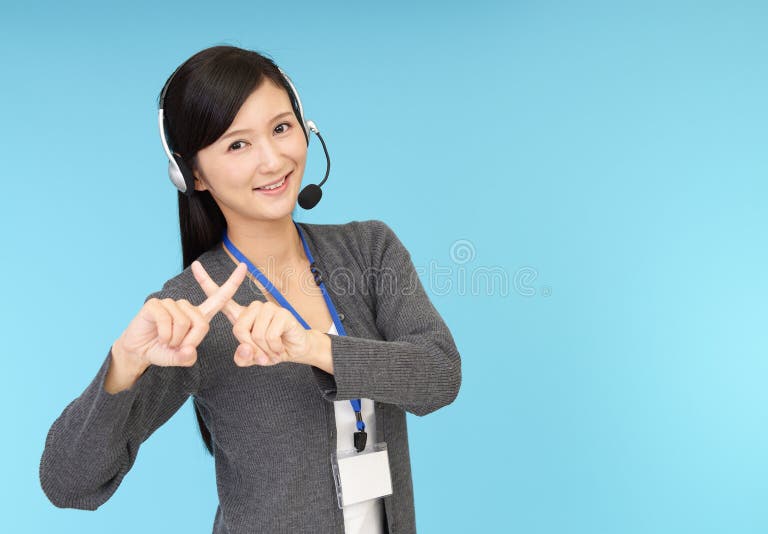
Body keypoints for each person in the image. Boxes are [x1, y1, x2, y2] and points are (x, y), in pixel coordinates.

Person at [38, 45, 462, 534]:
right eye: (237, 145)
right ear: (191, 173)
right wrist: (123, 365)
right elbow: (69, 484)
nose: (272, 159)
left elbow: (439, 376)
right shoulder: (189, 311)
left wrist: (311, 346)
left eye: (281, 128)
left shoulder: (368, 249)